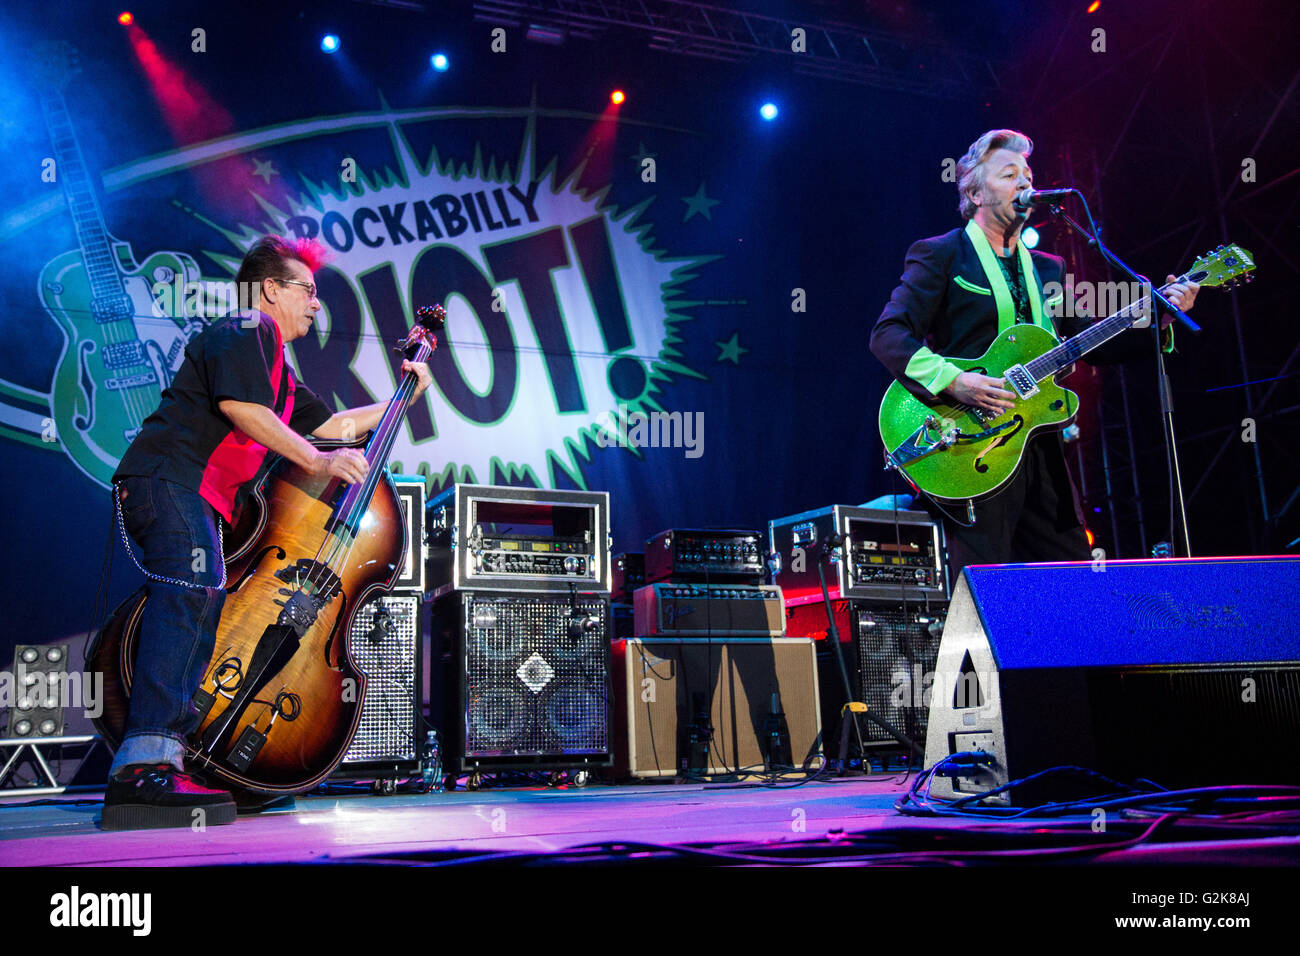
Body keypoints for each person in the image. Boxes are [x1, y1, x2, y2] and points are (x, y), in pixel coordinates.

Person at [101, 235, 432, 830]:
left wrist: (402, 397)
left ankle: (159, 760)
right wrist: (321, 462)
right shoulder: (246, 324)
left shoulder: (275, 363)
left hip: (185, 493)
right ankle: (142, 769)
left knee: (196, 602)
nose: (316, 304)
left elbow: (333, 425)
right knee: (191, 597)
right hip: (169, 481)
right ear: (271, 289)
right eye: (307, 290)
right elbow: (242, 410)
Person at [869, 129, 1199, 580]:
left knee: (1069, 573)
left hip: (1036, 441)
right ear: (974, 191)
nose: (1026, 183)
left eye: (1028, 174)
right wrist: (955, 381)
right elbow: (889, 334)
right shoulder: (943, 254)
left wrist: (1157, 318)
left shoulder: (1048, 268)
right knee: (985, 581)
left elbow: (1088, 339)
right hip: (969, 444)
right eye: (1009, 174)